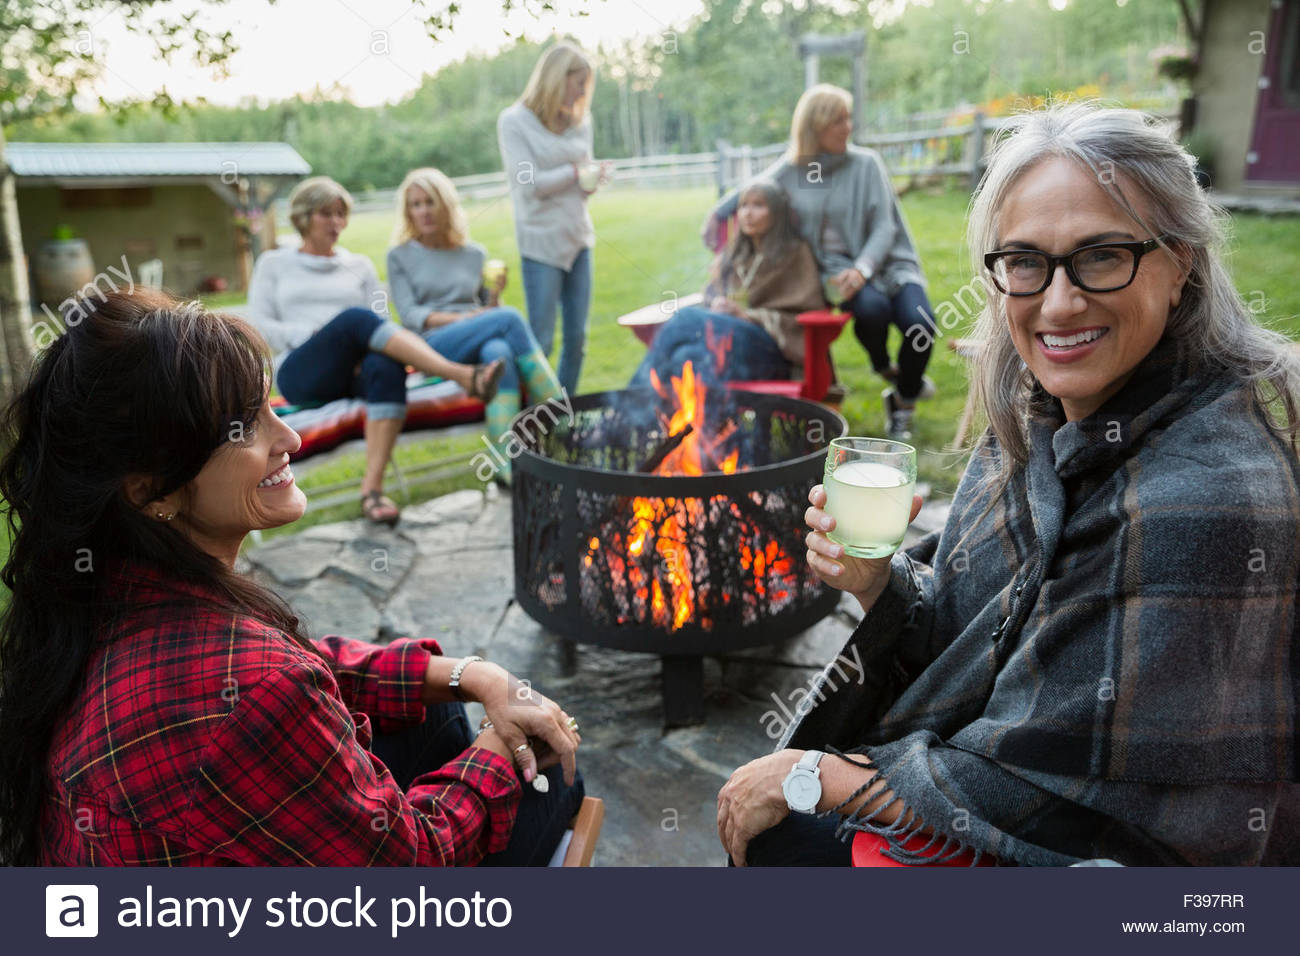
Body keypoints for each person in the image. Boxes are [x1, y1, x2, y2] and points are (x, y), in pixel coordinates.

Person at [717, 103, 1300, 867]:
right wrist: (878, 582)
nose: (1058, 303)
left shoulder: (1206, 499)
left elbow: (1057, 794)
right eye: (1026, 261)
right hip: (998, 791)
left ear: (1180, 260)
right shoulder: (1039, 413)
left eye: (1102, 256)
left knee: (780, 836)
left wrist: (816, 777)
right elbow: (986, 638)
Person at [0, 289, 584, 866]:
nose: (292, 439)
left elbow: (308, 667)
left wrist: (470, 675)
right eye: (244, 428)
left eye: (269, 408)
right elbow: (411, 864)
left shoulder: (106, 591)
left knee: (436, 709)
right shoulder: (248, 687)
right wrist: (498, 750)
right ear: (151, 488)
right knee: (547, 773)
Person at [246, 175, 505, 526]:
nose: (337, 223)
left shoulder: (360, 266)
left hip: (354, 371)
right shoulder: (274, 264)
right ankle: (461, 374)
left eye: (341, 214)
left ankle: (372, 491)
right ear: (304, 217)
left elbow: (381, 325)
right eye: (327, 214)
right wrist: (319, 334)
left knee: (386, 365)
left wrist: (352, 343)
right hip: (302, 371)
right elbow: (260, 327)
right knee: (354, 318)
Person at [706, 84, 937, 440]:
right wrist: (718, 214)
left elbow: (884, 227)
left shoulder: (866, 163)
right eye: (837, 121)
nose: (848, 127)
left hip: (890, 261)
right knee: (872, 310)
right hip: (833, 271)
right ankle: (883, 366)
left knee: (920, 323)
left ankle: (903, 399)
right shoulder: (797, 167)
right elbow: (755, 187)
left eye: (848, 119)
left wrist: (863, 269)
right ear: (814, 128)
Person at [387, 168, 566, 486]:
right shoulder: (399, 256)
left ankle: (502, 462)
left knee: (499, 352)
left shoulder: (473, 254)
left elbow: (486, 310)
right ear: (407, 211)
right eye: (415, 204)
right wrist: (468, 319)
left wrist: (493, 293)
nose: (424, 211)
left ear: (446, 206)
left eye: (430, 202)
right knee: (509, 318)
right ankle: (561, 417)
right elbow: (411, 315)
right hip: (429, 346)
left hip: (476, 335)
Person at [630, 178, 823, 389]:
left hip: (769, 352)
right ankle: (652, 419)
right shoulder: (733, 256)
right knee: (686, 357)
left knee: (686, 318)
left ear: (777, 212)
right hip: (728, 352)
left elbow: (801, 316)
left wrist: (746, 316)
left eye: (759, 205)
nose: (748, 213)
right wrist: (717, 305)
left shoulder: (794, 253)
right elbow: (710, 296)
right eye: (743, 206)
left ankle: (623, 406)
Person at [498, 40, 608, 396]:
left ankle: (562, 417)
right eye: (577, 83)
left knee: (577, 340)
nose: (580, 94)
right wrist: (576, 172)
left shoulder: (581, 121)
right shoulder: (515, 121)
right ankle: (530, 424)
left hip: (578, 238)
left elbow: (582, 174)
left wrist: (591, 179)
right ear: (555, 79)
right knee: (541, 343)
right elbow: (530, 185)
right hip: (541, 243)